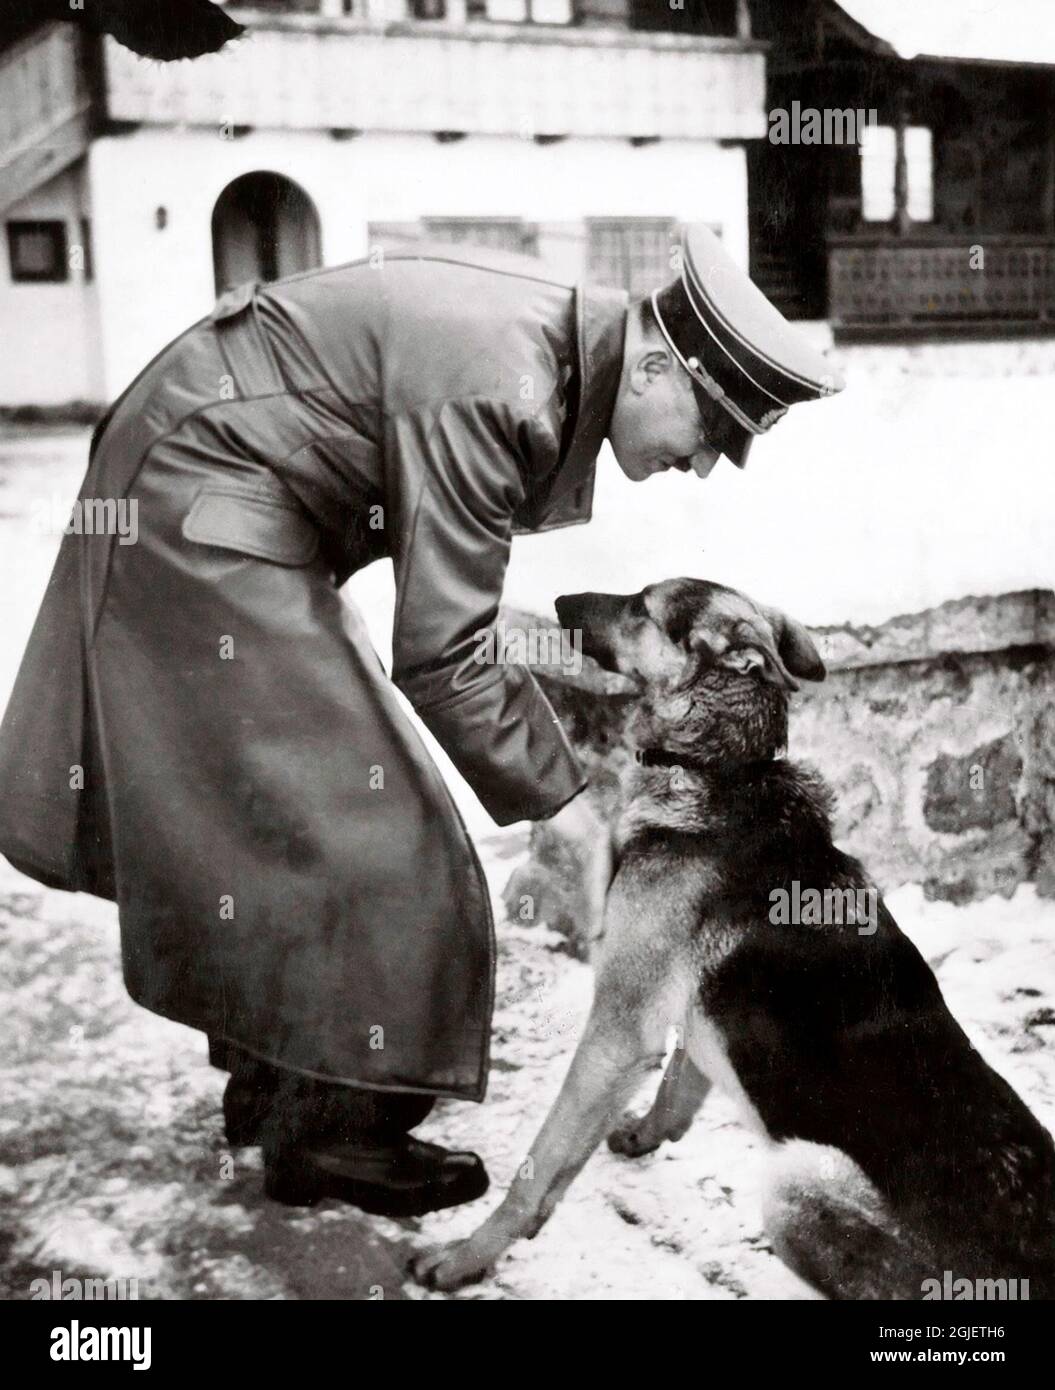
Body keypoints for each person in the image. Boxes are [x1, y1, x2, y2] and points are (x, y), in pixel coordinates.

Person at [0, 227, 843, 1216]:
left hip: (209, 486)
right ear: (654, 361)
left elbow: (451, 612)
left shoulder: (543, 361)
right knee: (382, 832)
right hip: (199, 500)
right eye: (709, 427)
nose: (700, 464)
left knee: (282, 809)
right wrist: (564, 806)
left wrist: (551, 782)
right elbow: (443, 650)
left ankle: (282, 1089)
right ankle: (327, 1135)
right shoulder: (507, 386)